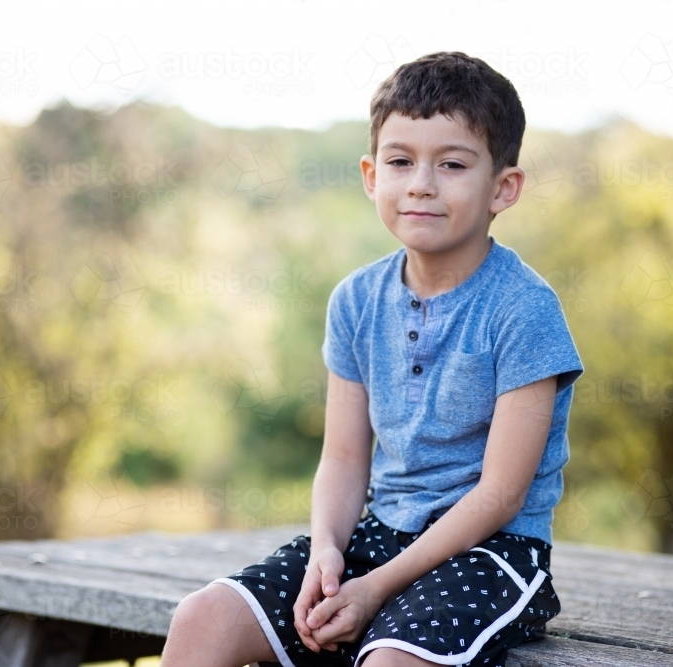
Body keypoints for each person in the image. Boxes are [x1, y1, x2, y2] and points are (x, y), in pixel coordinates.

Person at [161, 51, 584, 667]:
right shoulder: (357, 301)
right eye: (401, 161)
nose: (421, 183)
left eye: (453, 164)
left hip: (492, 554)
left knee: (388, 661)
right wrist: (328, 552)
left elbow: (499, 496)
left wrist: (374, 590)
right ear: (370, 176)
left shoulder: (524, 310)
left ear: (504, 188)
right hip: (376, 535)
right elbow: (341, 457)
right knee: (202, 619)